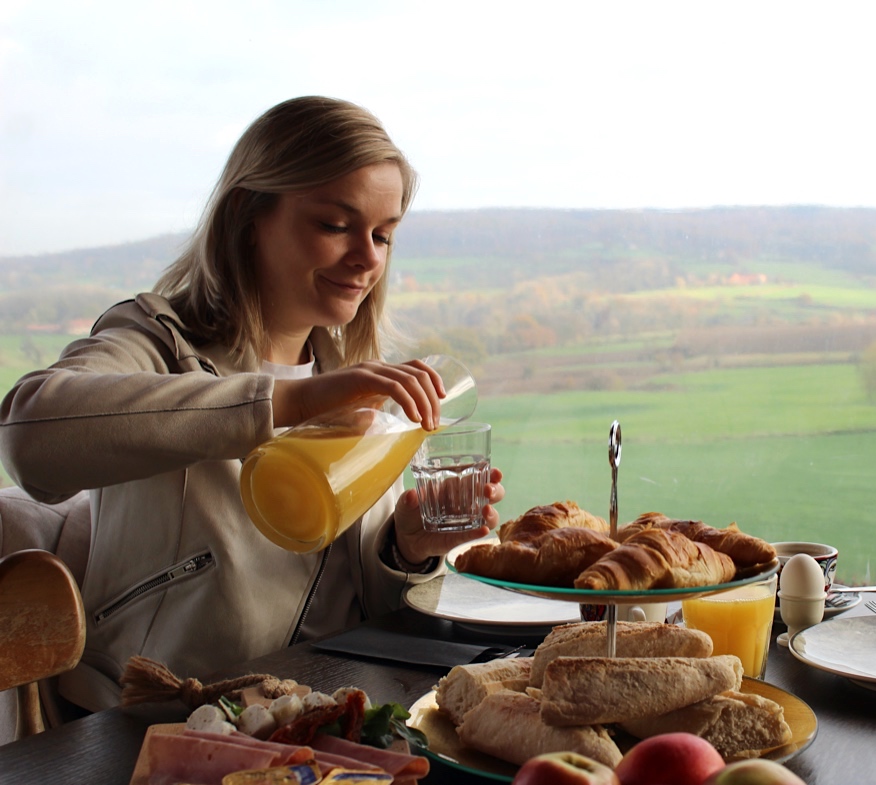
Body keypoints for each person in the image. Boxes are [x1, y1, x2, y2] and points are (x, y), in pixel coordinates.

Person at [0, 96, 505, 713]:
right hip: (148, 717)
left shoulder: (354, 386)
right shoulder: (157, 341)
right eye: (335, 225)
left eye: (382, 234)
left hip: (307, 714)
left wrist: (406, 547)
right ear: (248, 213)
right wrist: (287, 401)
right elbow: (30, 434)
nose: (369, 258)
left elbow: (364, 607)